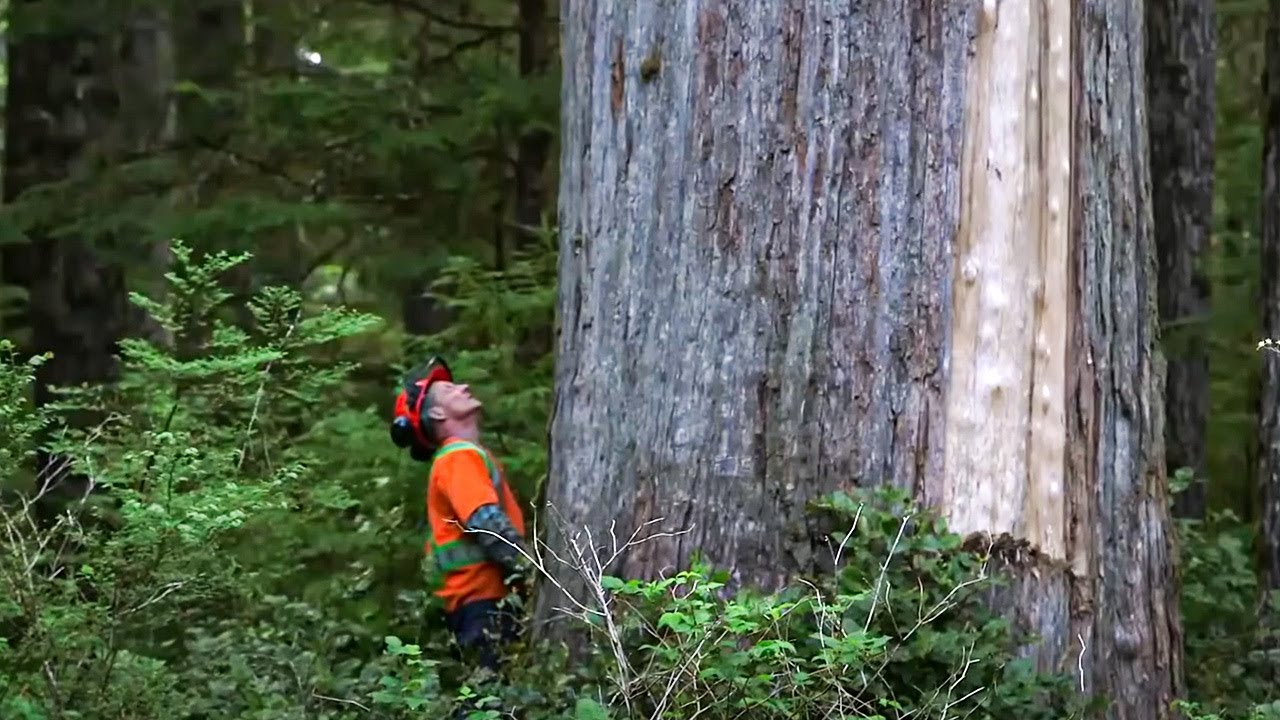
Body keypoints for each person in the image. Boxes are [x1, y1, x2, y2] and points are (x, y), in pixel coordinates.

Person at [389, 357, 532, 673]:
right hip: (484, 602)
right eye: (451, 389)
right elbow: (486, 523)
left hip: (479, 601)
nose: (464, 387)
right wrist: (535, 575)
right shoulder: (458, 457)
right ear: (438, 413)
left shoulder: (461, 457)